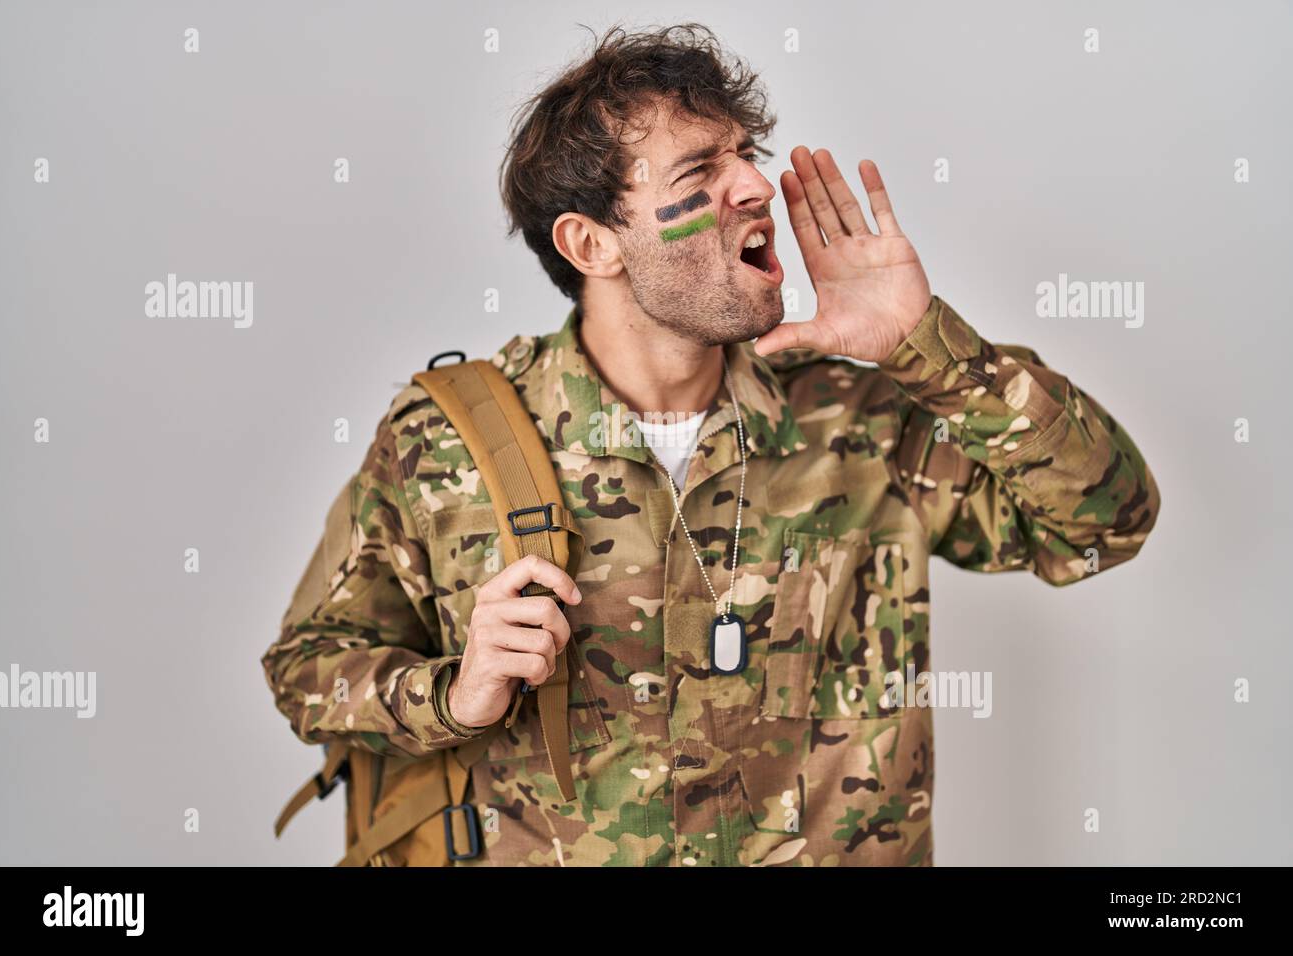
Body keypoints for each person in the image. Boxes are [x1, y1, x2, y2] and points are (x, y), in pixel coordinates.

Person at [261, 23, 1159, 866]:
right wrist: (452, 695)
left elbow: (1105, 524)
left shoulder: (864, 418)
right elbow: (306, 670)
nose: (754, 187)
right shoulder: (445, 442)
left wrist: (927, 341)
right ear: (592, 243)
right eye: (700, 171)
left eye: (747, 157)